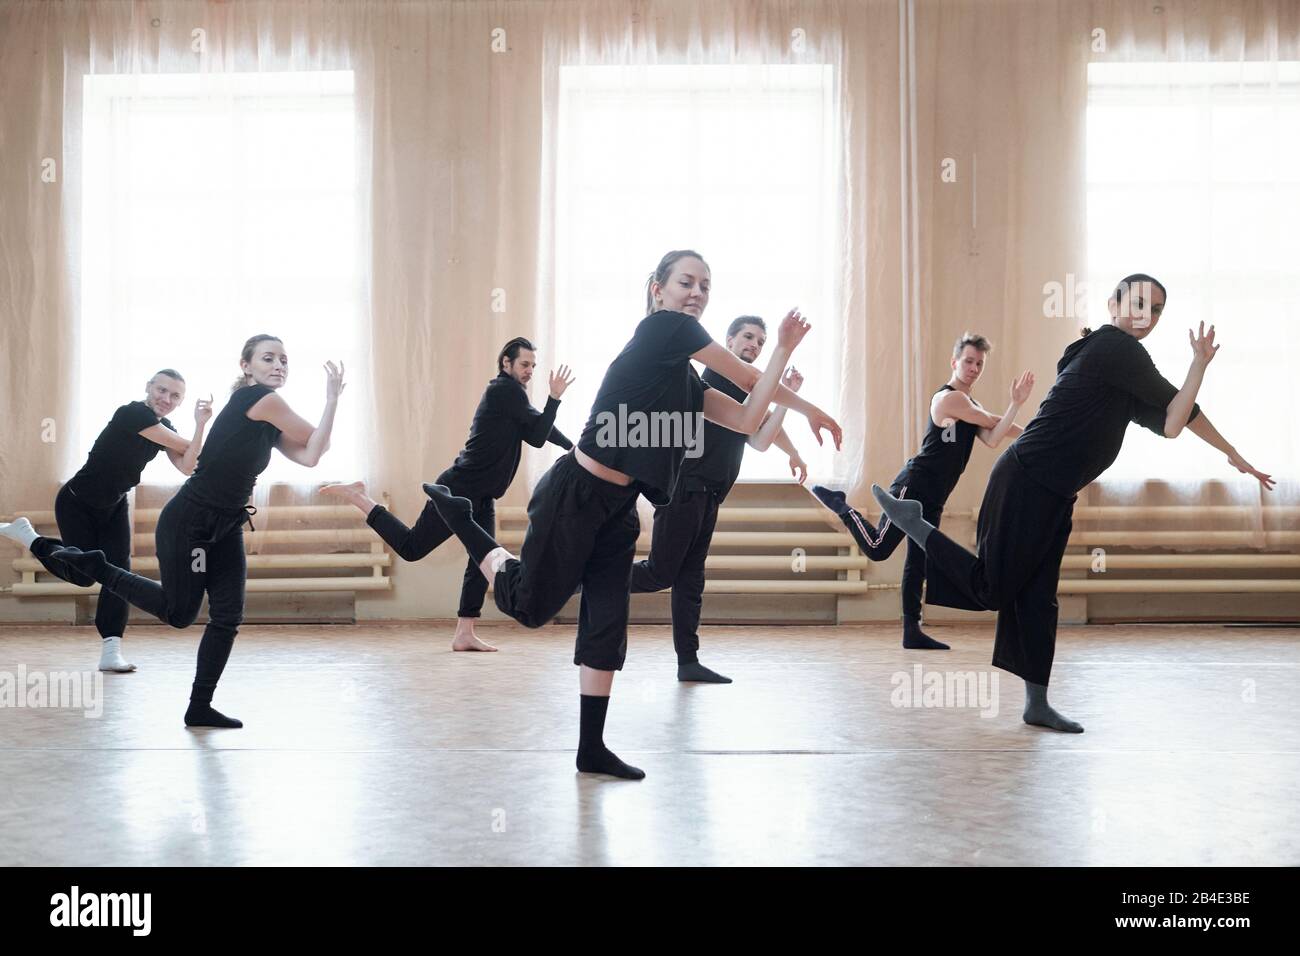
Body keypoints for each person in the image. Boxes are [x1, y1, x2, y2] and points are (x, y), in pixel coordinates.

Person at [422, 250, 842, 778]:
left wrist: (804, 396)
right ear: (657, 289)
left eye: (705, 286)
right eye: (686, 282)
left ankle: (591, 749)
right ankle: (465, 521)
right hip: (575, 495)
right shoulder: (665, 329)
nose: (696, 293)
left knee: (606, 626)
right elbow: (745, 371)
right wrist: (782, 354)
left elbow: (748, 415)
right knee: (529, 608)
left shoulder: (688, 382)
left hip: (619, 510)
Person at [873, 275, 1275, 732]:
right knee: (992, 589)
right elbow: (1175, 412)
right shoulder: (1116, 350)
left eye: (1158, 309)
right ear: (1113, 305)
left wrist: (1212, 401)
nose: (1148, 314)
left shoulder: (1121, 368)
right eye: (1139, 302)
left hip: (1053, 490)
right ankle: (915, 525)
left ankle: (1037, 704)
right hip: (1026, 479)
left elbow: (1172, 423)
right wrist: (1210, 401)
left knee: (1038, 599)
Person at [8, 335, 347, 728]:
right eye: (268, 358)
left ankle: (199, 706)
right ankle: (98, 568)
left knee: (227, 616)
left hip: (227, 523)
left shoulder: (269, 419)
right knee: (179, 613)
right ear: (246, 366)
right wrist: (329, 400)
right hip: (191, 520)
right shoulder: (260, 399)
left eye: (284, 360)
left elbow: (312, 455)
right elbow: (309, 441)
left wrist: (333, 402)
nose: (278, 366)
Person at [322, 337, 574, 651]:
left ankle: (464, 633)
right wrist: (554, 398)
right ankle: (361, 498)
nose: (529, 371)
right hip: (458, 491)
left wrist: (571, 447)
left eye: (533, 366)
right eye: (525, 364)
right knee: (413, 548)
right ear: (506, 363)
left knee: (481, 564)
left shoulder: (513, 398)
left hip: (482, 497)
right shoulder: (503, 390)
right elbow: (538, 435)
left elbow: (538, 427)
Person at [810, 334, 1031, 649]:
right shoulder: (949, 399)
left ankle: (911, 630)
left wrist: (1018, 412)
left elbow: (993, 438)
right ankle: (843, 507)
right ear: (954, 362)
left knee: (919, 560)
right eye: (969, 361)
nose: (974, 368)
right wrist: (1021, 415)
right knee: (878, 547)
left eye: (980, 363)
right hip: (913, 485)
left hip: (936, 495)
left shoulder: (971, 406)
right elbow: (994, 422)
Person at [630, 315, 809, 683]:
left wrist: (789, 434)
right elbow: (755, 418)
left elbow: (759, 438)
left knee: (690, 581)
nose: (754, 346)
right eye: (747, 337)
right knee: (659, 573)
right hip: (685, 489)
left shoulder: (746, 388)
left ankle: (688, 662)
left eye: (760, 342)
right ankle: (582, 576)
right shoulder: (714, 378)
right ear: (728, 341)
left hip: (710, 494)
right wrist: (779, 392)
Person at [0, 371, 211, 672]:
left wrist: (201, 424)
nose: (166, 399)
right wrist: (197, 439)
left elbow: (188, 466)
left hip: (113, 506)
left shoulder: (166, 428)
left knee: (117, 572)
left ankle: (111, 650)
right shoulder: (132, 413)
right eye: (162, 390)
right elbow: (191, 450)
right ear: (148, 387)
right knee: (84, 575)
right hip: (76, 503)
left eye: (175, 396)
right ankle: (30, 538)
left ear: (181, 401)